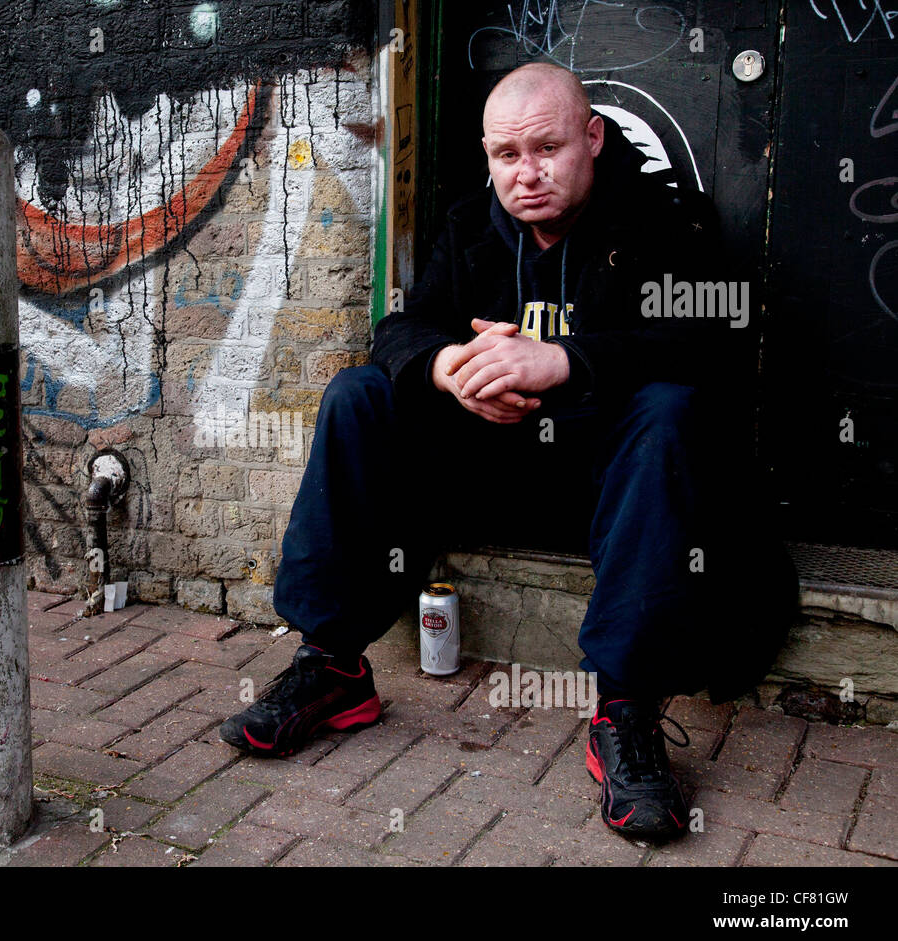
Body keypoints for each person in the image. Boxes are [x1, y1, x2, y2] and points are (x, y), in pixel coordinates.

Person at [218, 62, 799, 843]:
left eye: (547, 149)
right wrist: (445, 368)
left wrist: (565, 360)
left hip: (613, 492)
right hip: (488, 469)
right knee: (360, 392)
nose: (526, 175)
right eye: (506, 156)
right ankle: (332, 665)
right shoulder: (470, 228)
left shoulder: (666, 224)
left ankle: (626, 709)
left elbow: (708, 345)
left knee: (669, 409)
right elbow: (402, 325)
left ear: (592, 138)